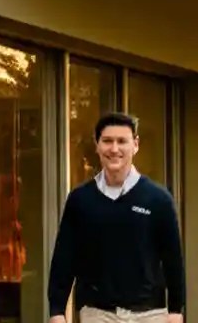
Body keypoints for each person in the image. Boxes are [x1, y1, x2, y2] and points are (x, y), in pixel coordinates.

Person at [47, 112, 184, 323]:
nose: (114, 149)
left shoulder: (158, 200)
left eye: (122, 141)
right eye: (107, 141)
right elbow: (64, 258)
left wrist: (176, 309)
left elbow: (173, 258)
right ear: (97, 145)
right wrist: (56, 310)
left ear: (135, 145)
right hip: (97, 314)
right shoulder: (80, 200)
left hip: (149, 315)